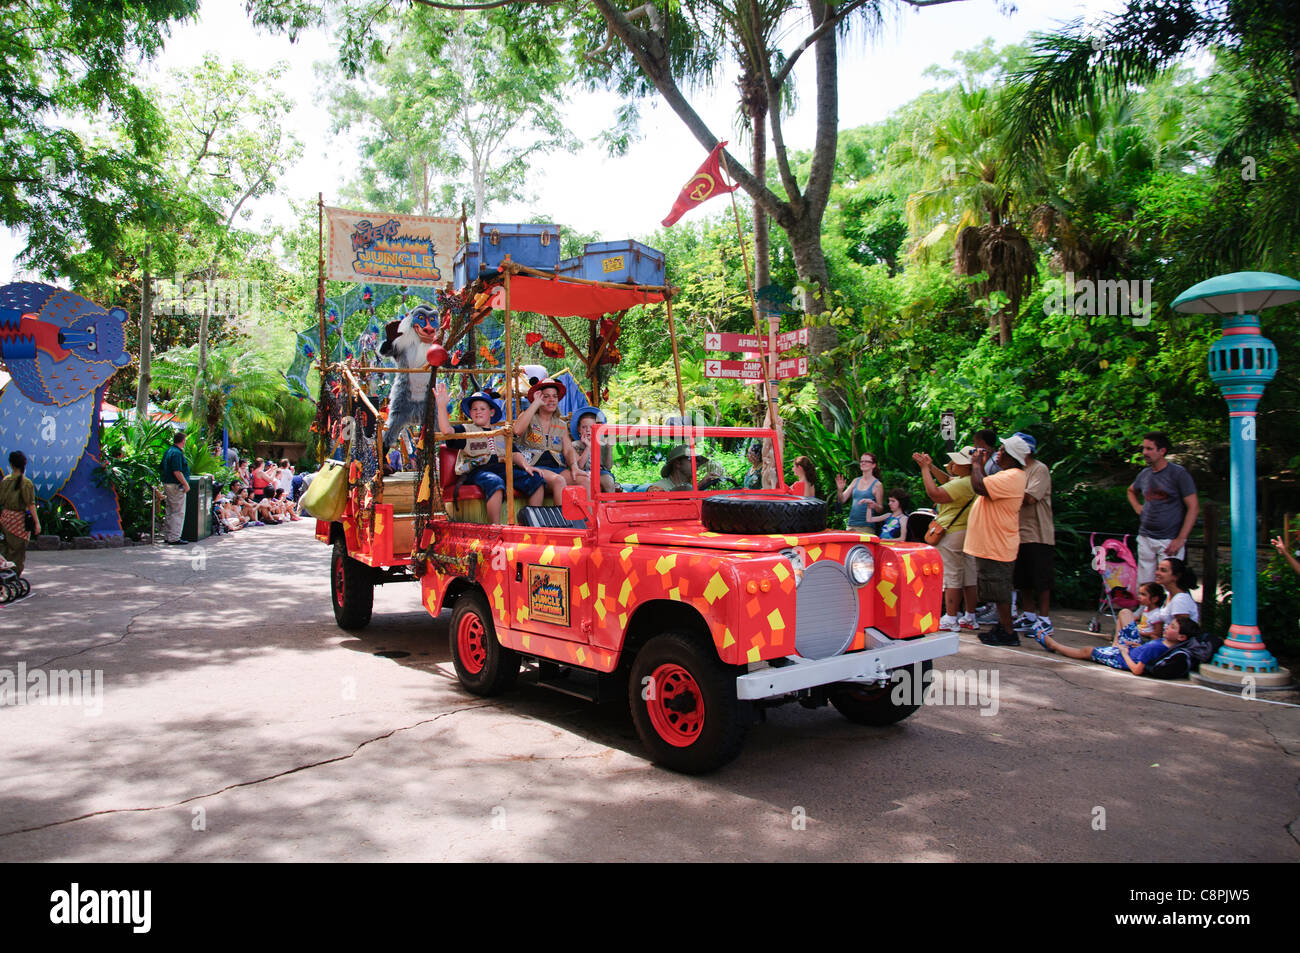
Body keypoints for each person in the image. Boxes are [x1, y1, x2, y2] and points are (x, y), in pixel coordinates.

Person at [436, 382, 545, 523]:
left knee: (536, 479)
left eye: (482, 408)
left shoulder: (501, 432)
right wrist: (441, 406)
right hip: (478, 471)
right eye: (474, 409)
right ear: (470, 413)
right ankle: (496, 527)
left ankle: (533, 524)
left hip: (503, 468)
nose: (478, 411)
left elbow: (514, 452)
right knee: (494, 482)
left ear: (491, 412)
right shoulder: (466, 430)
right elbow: (447, 431)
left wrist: (526, 466)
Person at [964, 434, 1031, 646]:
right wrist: (981, 467)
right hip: (992, 541)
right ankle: (1002, 627)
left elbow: (979, 487)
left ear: (1012, 456)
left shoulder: (1013, 475)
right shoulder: (1008, 475)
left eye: (1002, 450)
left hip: (998, 542)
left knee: (1000, 590)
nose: (998, 453)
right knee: (995, 588)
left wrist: (975, 465)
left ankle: (1008, 631)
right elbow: (985, 484)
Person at [916, 447, 978, 632]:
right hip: (967, 532)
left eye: (956, 462)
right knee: (968, 575)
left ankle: (951, 618)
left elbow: (934, 493)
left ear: (967, 467)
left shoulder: (963, 484)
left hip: (951, 533)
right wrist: (931, 466)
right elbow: (947, 480)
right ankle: (970, 616)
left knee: (952, 576)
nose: (952, 464)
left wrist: (925, 470)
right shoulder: (972, 481)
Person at [1127, 431, 1198, 584]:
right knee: (1144, 582)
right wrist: (1138, 507)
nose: (1144, 453)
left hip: (1169, 539)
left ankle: (1171, 608)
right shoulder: (1145, 474)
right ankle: (1145, 608)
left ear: (1162, 451)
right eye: (1144, 448)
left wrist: (1181, 538)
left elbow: (1193, 507)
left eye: (1149, 449)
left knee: (1169, 583)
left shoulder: (1178, 474)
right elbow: (1131, 491)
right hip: (1146, 536)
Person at [1037, 612, 1197, 676]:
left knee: (1088, 651)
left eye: (1173, 627)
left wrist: (1124, 652)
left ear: (1182, 637)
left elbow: (1137, 670)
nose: (1167, 627)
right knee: (1125, 613)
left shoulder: (1158, 647)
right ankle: (1114, 645)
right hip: (1131, 649)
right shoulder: (1166, 644)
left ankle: (1055, 646)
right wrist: (1133, 647)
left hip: (1122, 658)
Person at [1011, 432, 1056, 640]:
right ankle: (1029, 616)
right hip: (1019, 533)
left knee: (1041, 579)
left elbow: (1030, 497)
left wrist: (1004, 492)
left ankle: (1044, 619)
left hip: (1038, 533)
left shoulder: (1039, 469)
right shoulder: (1017, 470)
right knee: (1023, 580)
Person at [514, 378, 574, 501]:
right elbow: (517, 431)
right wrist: (535, 403)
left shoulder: (561, 424)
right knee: (559, 481)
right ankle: (561, 520)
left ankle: (590, 520)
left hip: (557, 467)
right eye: (546, 396)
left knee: (585, 479)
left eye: (555, 396)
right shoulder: (528, 416)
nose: (551, 400)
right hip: (533, 467)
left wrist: (575, 466)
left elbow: (568, 450)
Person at [0, 450, 41, 577]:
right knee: (17, 552)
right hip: (18, 521)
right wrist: (37, 523)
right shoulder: (26, 483)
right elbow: (30, 504)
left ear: (11, 465)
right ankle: (14, 577)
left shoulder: (5, 480)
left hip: (5, 518)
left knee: (5, 549)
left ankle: (3, 576)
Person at [568, 408, 617, 493]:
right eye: (584, 427)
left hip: (600, 472)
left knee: (609, 482)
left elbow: (608, 466)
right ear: (579, 429)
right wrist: (588, 447)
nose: (588, 430)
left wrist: (609, 448)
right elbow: (580, 466)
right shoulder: (574, 445)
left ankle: (610, 505)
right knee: (587, 482)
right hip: (583, 473)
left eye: (592, 427)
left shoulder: (602, 445)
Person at [1109, 582, 1167, 647]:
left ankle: (1117, 642)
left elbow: (1157, 633)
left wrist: (1140, 632)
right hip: (1139, 633)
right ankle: (1117, 640)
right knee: (1119, 628)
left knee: (1121, 630)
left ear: (1154, 599)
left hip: (1144, 638)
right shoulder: (1146, 609)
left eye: (1143, 594)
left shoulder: (1156, 614)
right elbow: (1144, 624)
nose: (1139, 597)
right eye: (1139, 594)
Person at [835, 453, 884, 532]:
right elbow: (842, 500)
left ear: (873, 465)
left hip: (866, 527)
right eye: (861, 461)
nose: (863, 463)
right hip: (851, 525)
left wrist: (873, 504)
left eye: (867, 461)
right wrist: (840, 490)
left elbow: (880, 509)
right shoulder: (855, 480)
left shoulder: (877, 485)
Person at [160, 430, 190, 545]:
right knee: (178, 511)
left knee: (170, 510)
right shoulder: (177, 453)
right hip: (176, 485)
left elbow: (162, 467)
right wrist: (186, 484)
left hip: (167, 483)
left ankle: (168, 535)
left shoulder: (168, 451)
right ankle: (174, 537)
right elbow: (177, 471)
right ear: (183, 441)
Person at [1153, 556, 1199, 629]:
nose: (1156, 573)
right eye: (1157, 569)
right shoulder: (1169, 594)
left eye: (1163, 570)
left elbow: (1182, 630)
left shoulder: (1180, 600)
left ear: (1176, 576)